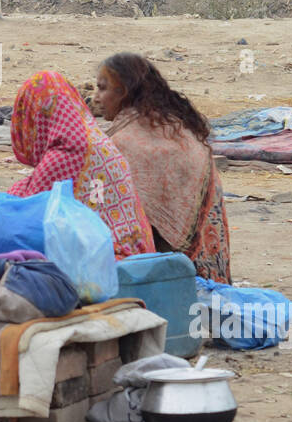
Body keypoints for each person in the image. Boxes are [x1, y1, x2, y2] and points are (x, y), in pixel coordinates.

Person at [95, 53, 231, 283]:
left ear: (123, 92)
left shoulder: (123, 143)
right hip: (206, 267)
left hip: (159, 270)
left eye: (102, 88)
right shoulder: (178, 126)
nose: (95, 98)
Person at [8, 71, 154, 259]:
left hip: (108, 264)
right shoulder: (92, 138)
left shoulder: (66, 152)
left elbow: (28, 217)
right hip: (138, 254)